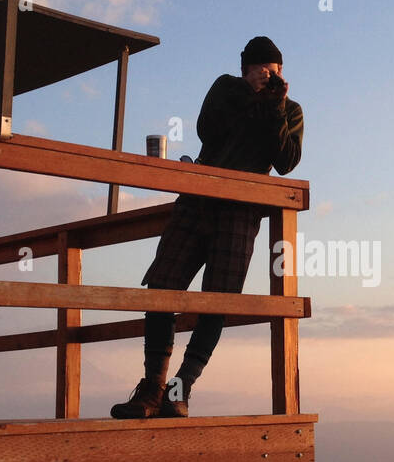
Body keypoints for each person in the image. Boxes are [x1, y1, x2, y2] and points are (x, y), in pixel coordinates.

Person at [111, 36, 304, 418]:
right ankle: (151, 389)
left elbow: (286, 162)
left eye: (278, 72)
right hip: (197, 201)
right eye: (265, 69)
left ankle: (178, 391)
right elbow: (207, 130)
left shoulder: (290, 109)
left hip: (241, 211)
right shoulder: (225, 89)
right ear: (246, 67)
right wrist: (254, 97)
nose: (272, 76)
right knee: (162, 286)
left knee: (218, 301)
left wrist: (276, 107)